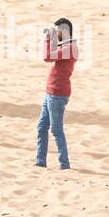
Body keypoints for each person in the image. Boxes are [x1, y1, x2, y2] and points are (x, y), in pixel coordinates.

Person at [35, 17, 78, 169]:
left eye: (58, 32)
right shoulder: (67, 46)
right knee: (41, 127)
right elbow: (52, 52)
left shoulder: (71, 48)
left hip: (58, 94)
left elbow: (47, 56)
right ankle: (40, 161)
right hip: (51, 92)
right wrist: (51, 37)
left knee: (56, 129)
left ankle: (64, 164)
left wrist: (48, 38)